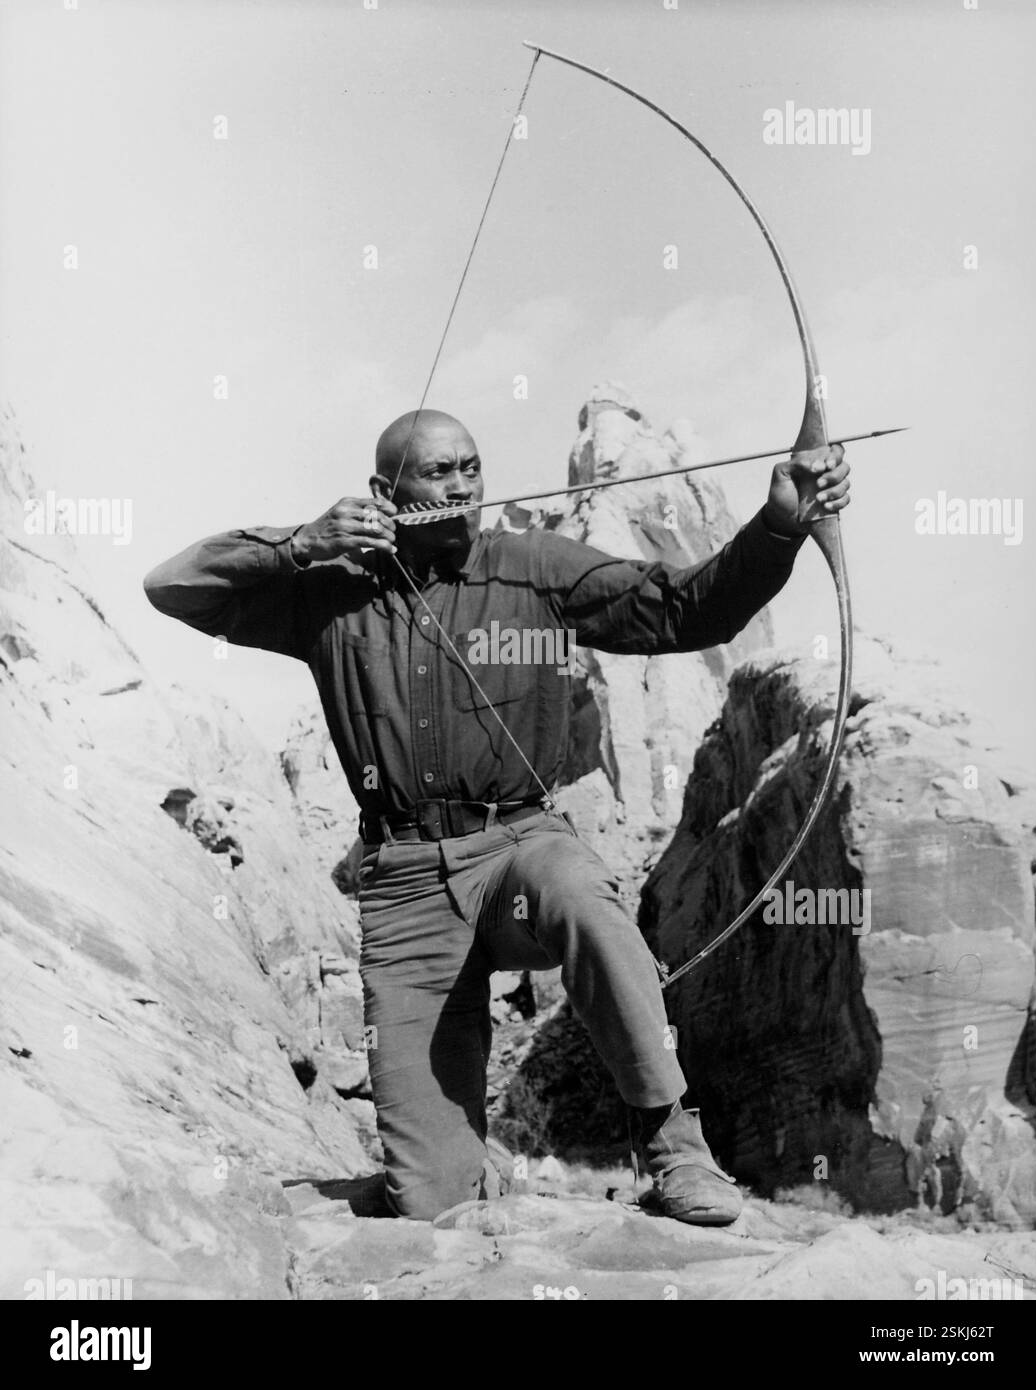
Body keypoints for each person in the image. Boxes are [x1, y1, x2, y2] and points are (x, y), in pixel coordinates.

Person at [143, 408, 850, 1224]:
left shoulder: (534, 566)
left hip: (521, 845)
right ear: (385, 491)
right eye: (437, 471)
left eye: (470, 468)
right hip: (404, 884)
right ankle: (477, 1172)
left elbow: (684, 610)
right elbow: (173, 586)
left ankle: (675, 1149)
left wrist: (778, 526)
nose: (460, 484)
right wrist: (299, 543)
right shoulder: (325, 593)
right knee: (429, 1205)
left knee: (584, 897)